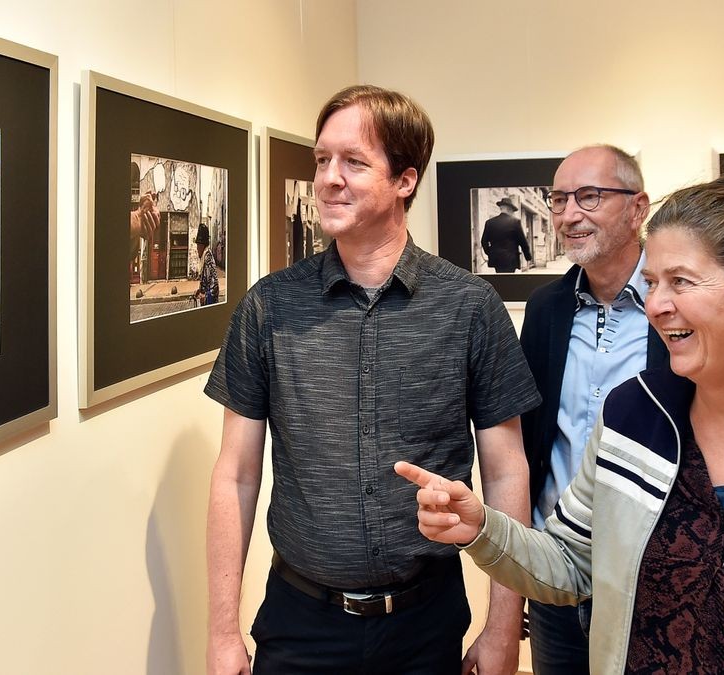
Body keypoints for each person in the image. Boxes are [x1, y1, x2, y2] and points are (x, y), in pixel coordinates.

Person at [397, 173, 724, 673]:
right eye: (652, 282)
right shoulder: (632, 417)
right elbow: (570, 563)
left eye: (681, 281)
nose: (655, 305)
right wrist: (481, 527)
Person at [204, 85, 540, 674]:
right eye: (321, 159)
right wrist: (222, 630)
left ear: (405, 180)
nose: (329, 177)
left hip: (425, 621)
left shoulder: (469, 307)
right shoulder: (269, 307)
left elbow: (507, 468)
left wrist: (502, 627)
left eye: (353, 161)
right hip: (299, 621)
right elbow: (235, 474)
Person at [518, 144, 663, 673]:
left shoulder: (675, 306)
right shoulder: (545, 310)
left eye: (589, 197)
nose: (569, 215)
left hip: (652, 577)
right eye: (558, 200)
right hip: (558, 576)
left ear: (637, 207)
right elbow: (531, 439)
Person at [480, 197, 531, 272]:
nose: (513, 213)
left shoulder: (489, 222)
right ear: (509, 209)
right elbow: (523, 242)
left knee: (500, 279)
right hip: (511, 259)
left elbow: (484, 241)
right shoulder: (515, 222)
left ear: (501, 208)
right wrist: (528, 257)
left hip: (496, 259)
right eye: (512, 211)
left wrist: (491, 253)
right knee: (510, 280)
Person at [194, 222, 219, 306]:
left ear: (202, 246)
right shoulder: (204, 257)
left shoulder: (207, 257)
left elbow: (214, 284)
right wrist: (200, 290)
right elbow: (205, 280)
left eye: (198, 246)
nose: (197, 249)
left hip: (210, 304)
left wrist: (205, 295)